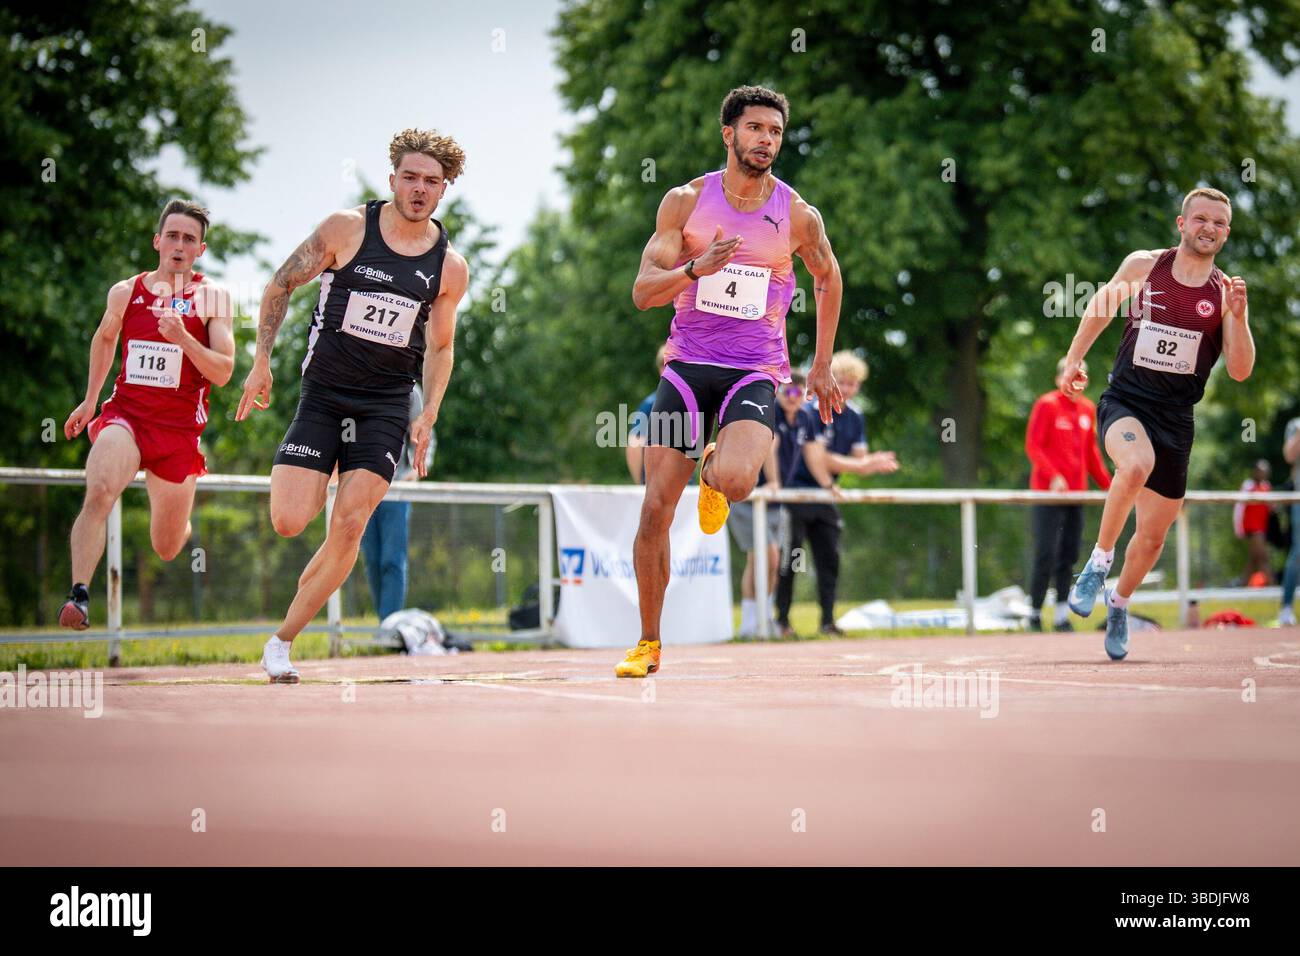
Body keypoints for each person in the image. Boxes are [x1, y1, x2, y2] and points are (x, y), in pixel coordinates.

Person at [616, 85, 846, 678]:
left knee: (740, 482)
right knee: (655, 510)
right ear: (729, 134)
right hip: (688, 366)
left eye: (774, 131)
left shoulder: (797, 214)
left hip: (755, 368)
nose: (765, 140)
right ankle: (648, 642)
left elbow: (827, 277)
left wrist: (821, 363)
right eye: (754, 129)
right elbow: (643, 292)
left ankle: (715, 465)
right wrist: (695, 268)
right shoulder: (686, 202)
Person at [236, 129, 469, 683]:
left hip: (386, 405)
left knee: (350, 527)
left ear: (444, 190)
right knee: (291, 520)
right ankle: (318, 530)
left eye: (431, 182)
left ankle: (282, 642)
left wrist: (428, 410)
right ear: (391, 179)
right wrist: (261, 360)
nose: (418, 189)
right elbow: (280, 283)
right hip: (324, 394)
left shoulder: (448, 266)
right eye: (409, 177)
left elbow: (440, 346)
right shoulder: (347, 229)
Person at [1061, 187, 1254, 660]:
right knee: (1133, 467)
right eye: (1201, 219)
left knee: (1151, 538)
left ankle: (1120, 603)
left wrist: (1240, 316)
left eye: (1220, 223)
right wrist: (1073, 360)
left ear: (1226, 234)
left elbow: (1240, 369)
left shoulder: (1224, 293)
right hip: (1126, 400)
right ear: (1181, 224)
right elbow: (1101, 306)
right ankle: (1098, 562)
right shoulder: (1146, 266)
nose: (1209, 228)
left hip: (1176, 418)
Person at [59, 200, 235, 629]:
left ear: (201, 249)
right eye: (172, 236)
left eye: (189, 239)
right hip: (127, 417)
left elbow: (224, 370)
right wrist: (89, 400)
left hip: (178, 432)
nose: (179, 245)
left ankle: (183, 520)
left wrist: (183, 339)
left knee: (168, 546)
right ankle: (79, 596)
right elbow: (104, 339)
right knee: (99, 490)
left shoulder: (211, 297)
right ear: (157, 241)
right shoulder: (126, 292)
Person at [775, 351, 898, 637]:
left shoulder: (855, 416)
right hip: (797, 491)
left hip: (826, 494)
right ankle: (782, 621)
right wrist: (862, 465)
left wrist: (872, 464)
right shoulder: (809, 410)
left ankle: (828, 621)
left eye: (853, 384)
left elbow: (859, 457)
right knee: (790, 560)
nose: (847, 389)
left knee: (829, 558)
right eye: (842, 382)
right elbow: (819, 457)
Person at [1024, 357, 1112, 632]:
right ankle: (1034, 613)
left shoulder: (1087, 410)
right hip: (1047, 495)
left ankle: (1062, 614)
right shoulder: (1047, 404)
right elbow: (1033, 446)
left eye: (1079, 375)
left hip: (1076, 495)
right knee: (1045, 552)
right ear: (1059, 378)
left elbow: (1092, 455)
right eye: (1069, 374)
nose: (1074, 380)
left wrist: (1112, 487)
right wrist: (1054, 476)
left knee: (1070, 552)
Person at [360, 384, 435, 621]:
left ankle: (389, 623)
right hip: (361, 489)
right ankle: (386, 621)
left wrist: (418, 468)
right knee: (371, 559)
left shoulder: (410, 391)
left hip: (396, 488)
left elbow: (423, 434)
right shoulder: (356, 382)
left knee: (391, 559)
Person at [625, 345, 667, 484]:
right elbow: (634, 444)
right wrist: (641, 484)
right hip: (657, 481)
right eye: (664, 364)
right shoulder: (650, 404)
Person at [1233, 459, 1273, 586]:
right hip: (1252, 528)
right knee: (1263, 558)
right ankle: (1274, 586)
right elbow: (1239, 508)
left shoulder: (1266, 486)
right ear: (1255, 471)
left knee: (1254, 559)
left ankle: (1243, 584)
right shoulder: (1248, 486)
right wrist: (1239, 529)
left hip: (1262, 528)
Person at [1278, 419, 1300, 626]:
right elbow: (1289, 456)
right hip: (1299, 498)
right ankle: (1286, 608)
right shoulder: (1295, 424)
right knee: (1298, 551)